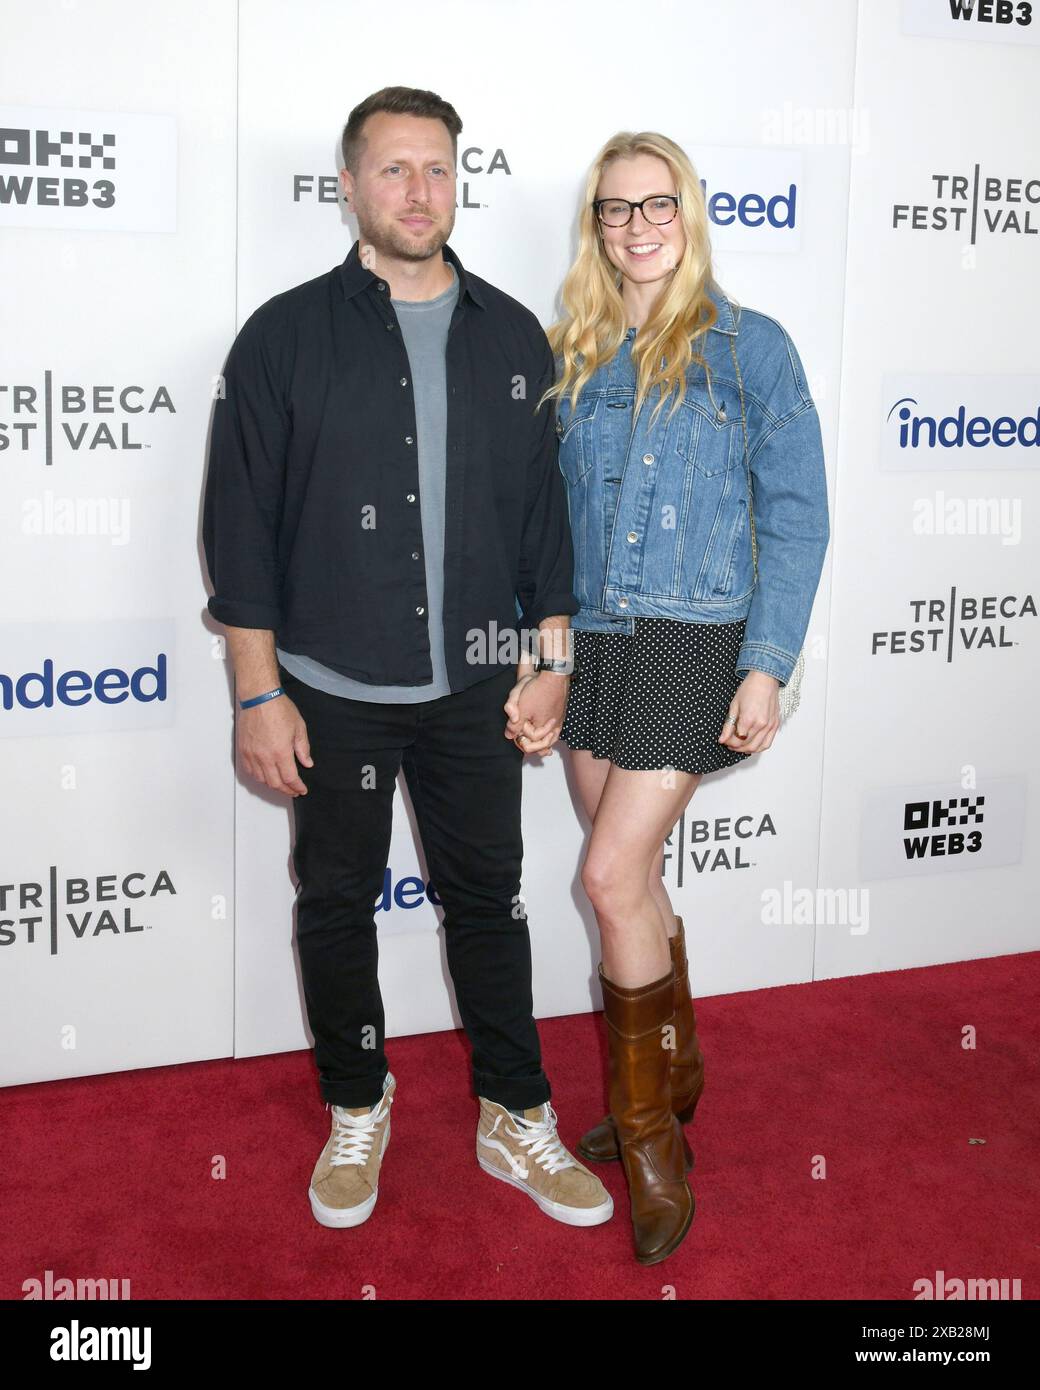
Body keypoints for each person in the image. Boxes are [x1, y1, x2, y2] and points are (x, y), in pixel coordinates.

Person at [202, 86, 613, 1232]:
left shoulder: (511, 334)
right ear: (347, 186)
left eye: (435, 169)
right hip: (330, 692)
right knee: (334, 902)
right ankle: (355, 1096)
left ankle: (511, 1110)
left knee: (488, 900)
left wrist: (553, 662)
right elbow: (239, 533)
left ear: (455, 182)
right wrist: (258, 692)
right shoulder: (282, 336)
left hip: (480, 689)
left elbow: (543, 526)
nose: (418, 192)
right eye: (392, 170)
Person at [510, 131, 830, 1264]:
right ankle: (675, 1073)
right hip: (592, 643)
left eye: (655, 204)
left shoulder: (752, 351)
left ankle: (648, 1139)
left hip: (696, 641)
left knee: (602, 874)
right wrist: (545, 654)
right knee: (629, 879)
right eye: (612, 209)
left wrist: (766, 662)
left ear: (689, 214)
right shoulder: (576, 351)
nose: (635, 226)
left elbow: (796, 513)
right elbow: (543, 532)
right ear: (594, 226)